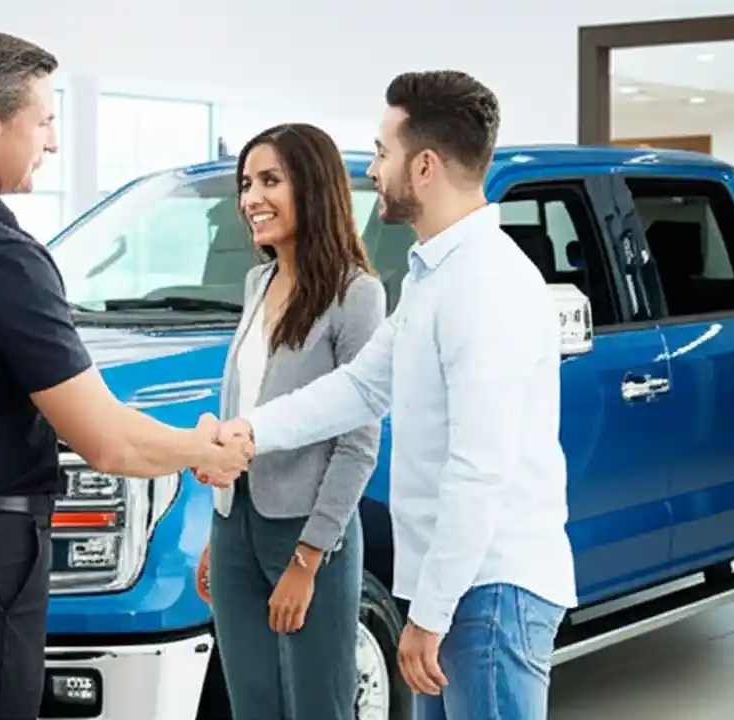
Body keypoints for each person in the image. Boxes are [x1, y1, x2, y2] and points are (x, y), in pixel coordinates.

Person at [0, 31, 248, 720]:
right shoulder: (0, 253)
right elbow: (107, 443)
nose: (53, 142)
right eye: (44, 121)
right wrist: (201, 450)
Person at [217, 70, 576, 720]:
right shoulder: (434, 276)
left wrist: (430, 614)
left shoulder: (485, 285)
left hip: (490, 589)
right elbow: (359, 387)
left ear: (425, 166)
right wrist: (250, 433)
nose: (373, 170)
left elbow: (479, 468)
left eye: (383, 152)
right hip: (455, 584)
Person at [193, 123, 387, 720]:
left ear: (313, 185)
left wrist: (307, 559)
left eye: (269, 181)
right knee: (252, 705)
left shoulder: (357, 295)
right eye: (246, 184)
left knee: (317, 707)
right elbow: (243, 406)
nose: (251, 198)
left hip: (308, 531)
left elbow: (359, 442)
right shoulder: (259, 281)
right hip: (235, 524)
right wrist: (218, 535)